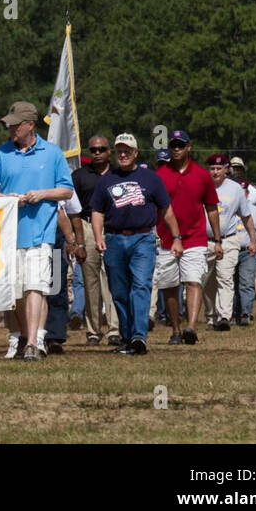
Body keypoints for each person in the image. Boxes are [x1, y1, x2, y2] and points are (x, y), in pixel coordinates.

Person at [0, 101, 73, 361]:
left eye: (14, 124)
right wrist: (5, 198)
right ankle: (27, 336)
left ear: (29, 125)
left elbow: (66, 190)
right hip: (9, 234)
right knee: (18, 290)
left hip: (40, 232)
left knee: (36, 286)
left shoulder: (53, 153)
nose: (9, 129)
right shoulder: (0, 154)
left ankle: (33, 342)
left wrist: (42, 194)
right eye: (8, 124)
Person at [89, 134, 179, 355]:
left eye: (127, 150)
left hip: (143, 239)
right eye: (119, 150)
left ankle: (139, 336)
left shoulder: (150, 178)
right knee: (119, 291)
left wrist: (176, 237)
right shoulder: (107, 180)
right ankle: (127, 336)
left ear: (136, 153)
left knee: (140, 286)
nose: (123, 154)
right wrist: (98, 236)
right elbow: (97, 211)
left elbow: (166, 209)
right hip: (114, 239)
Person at [155, 130, 221, 346]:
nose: (176, 149)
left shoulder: (202, 175)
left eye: (180, 145)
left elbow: (211, 207)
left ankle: (191, 327)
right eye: (173, 145)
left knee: (193, 281)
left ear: (188, 147)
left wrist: (218, 239)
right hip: (166, 238)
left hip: (195, 237)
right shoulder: (161, 175)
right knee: (170, 284)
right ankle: (175, 328)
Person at [200, 154, 256, 332]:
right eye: (212, 169)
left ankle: (224, 316)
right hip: (205, 241)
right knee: (206, 281)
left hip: (229, 239)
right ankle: (210, 316)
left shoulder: (235, 189)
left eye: (219, 168)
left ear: (226, 169)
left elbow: (246, 216)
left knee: (225, 278)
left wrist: (253, 240)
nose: (215, 172)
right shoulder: (202, 186)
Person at [71, 135, 120, 346]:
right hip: (88, 226)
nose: (97, 153)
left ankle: (115, 329)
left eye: (101, 149)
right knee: (90, 281)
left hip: (113, 228)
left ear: (110, 152)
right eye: (93, 150)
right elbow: (72, 209)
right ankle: (93, 330)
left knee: (112, 280)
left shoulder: (119, 174)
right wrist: (77, 240)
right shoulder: (80, 175)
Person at [228, 157, 256, 325]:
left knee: (247, 283)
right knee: (231, 284)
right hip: (231, 248)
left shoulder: (254, 210)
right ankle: (233, 314)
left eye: (244, 191)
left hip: (248, 250)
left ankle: (245, 313)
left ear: (248, 192)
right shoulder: (226, 208)